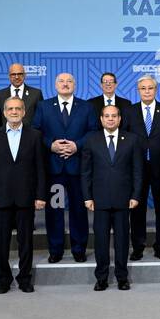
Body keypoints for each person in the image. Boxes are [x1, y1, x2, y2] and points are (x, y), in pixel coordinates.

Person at [0, 97, 49, 293]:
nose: (14, 112)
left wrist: (41, 196)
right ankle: (3, 279)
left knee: (25, 241)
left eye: (18, 108)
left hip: (26, 197)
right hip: (0, 197)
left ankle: (25, 278)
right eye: (10, 109)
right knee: (1, 241)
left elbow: (40, 169)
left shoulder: (35, 135)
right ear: (3, 112)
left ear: (24, 112)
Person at [33, 72, 99, 263]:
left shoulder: (86, 107)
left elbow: (93, 131)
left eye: (69, 81)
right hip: (55, 170)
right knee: (55, 210)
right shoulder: (44, 106)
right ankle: (56, 249)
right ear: (55, 85)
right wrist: (51, 145)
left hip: (78, 169)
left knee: (79, 210)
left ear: (75, 85)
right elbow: (36, 131)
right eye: (61, 81)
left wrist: (77, 145)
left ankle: (79, 249)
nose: (65, 84)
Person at [81, 104, 143, 290]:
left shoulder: (132, 140)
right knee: (101, 241)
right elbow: (85, 172)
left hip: (124, 199)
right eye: (106, 116)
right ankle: (101, 278)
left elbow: (137, 171)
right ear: (101, 119)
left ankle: (122, 277)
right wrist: (87, 197)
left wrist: (136, 195)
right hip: (99, 200)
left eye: (114, 116)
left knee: (122, 241)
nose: (110, 119)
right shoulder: (91, 140)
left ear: (119, 119)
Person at [122, 76, 160, 261]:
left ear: (156, 89)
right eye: (143, 88)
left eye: (150, 88)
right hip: (137, 169)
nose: (147, 91)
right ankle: (138, 246)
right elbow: (125, 140)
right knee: (137, 209)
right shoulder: (129, 111)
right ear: (138, 90)